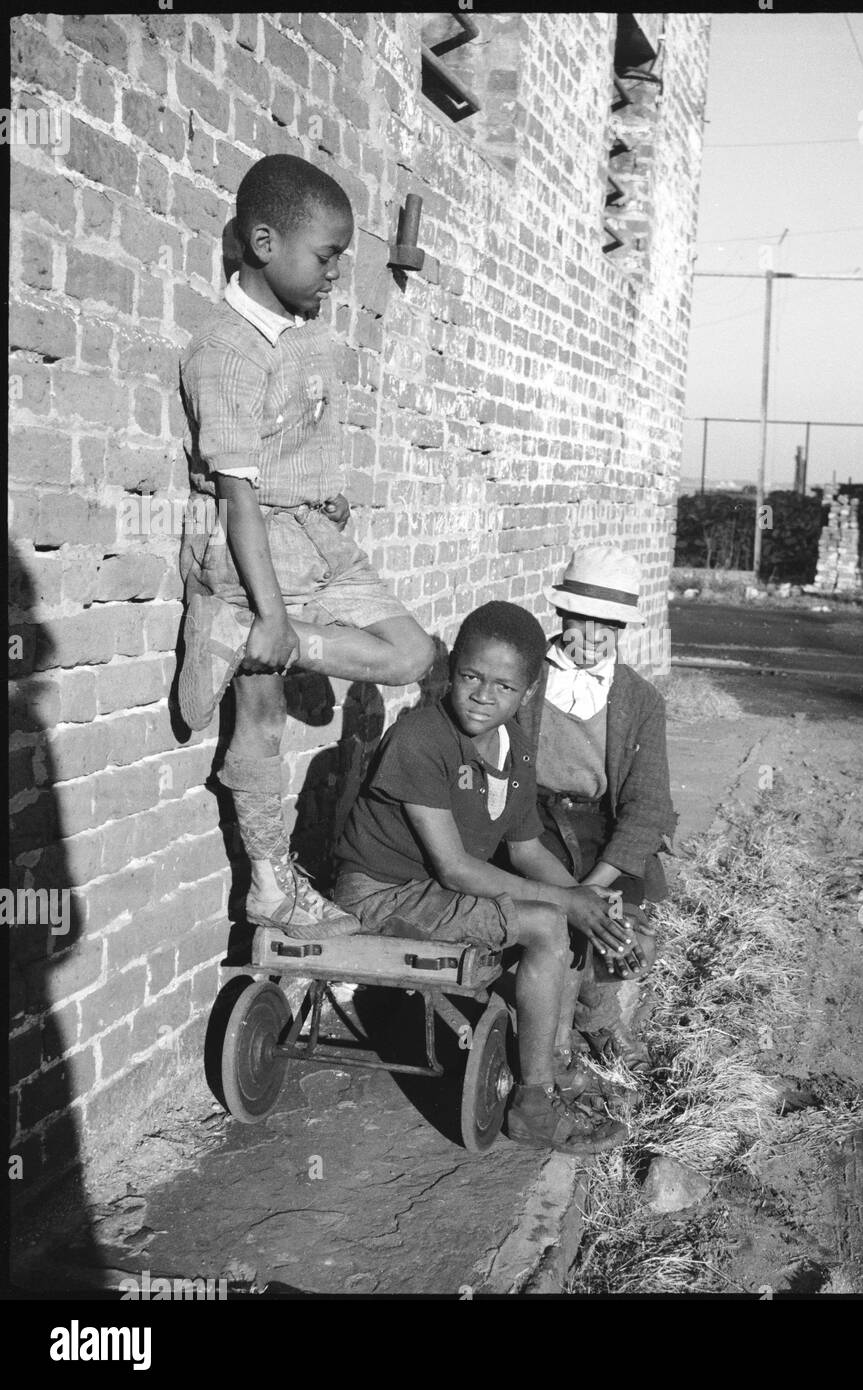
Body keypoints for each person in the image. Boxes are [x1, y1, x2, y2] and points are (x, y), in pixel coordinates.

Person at [177, 154, 435, 940]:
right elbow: (237, 496)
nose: (333, 278)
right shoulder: (224, 351)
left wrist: (326, 491)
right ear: (262, 243)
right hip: (251, 546)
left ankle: (240, 638)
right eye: (325, 259)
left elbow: (296, 447)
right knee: (257, 720)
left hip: (316, 539)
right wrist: (275, 614)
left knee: (412, 655)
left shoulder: (307, 335)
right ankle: (271, 886)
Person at [333, 602, 633, 1154]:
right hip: (380, 893)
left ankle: (554, 1060)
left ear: (526, 693)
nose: (482, 695)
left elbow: (524, 851)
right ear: (451, 671)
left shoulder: (515, 745)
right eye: (471, 677)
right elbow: (454, 866)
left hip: (436, 891)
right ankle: (534, 1106)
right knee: (547, 925)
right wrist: (563, 904)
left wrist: (583, 894)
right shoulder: (421, 737)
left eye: (503, 686)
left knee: (571, 912)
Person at [517, 546, 677, 1076]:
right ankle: (543, 1033)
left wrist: (600, 881)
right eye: (580, 621)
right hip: (525, 824)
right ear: (560, 616)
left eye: (606, 627)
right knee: (546, 913)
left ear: (622, 630)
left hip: (597, 830)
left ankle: (600, 1016)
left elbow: (647, 806)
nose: (590, 637)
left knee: (612, 922)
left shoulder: (640, 700)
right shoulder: (525, 677)